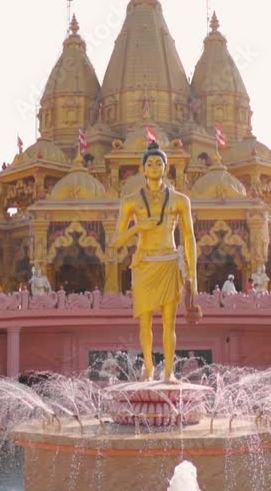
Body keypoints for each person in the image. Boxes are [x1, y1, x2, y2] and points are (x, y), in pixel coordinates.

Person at [112, 141, 197, 383]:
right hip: (144, 263)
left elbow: (190, 238)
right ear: (142, 169)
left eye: (159, 163)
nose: (154, 167)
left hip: (169, 261)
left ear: (166, 168)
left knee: (170, 323)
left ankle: (169, 372)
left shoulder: (180, 200)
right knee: (145, 323)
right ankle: (148, 368)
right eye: (149, 164)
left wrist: (193, 276)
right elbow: (116, 241)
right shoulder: (131, 200)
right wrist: (138, 227)